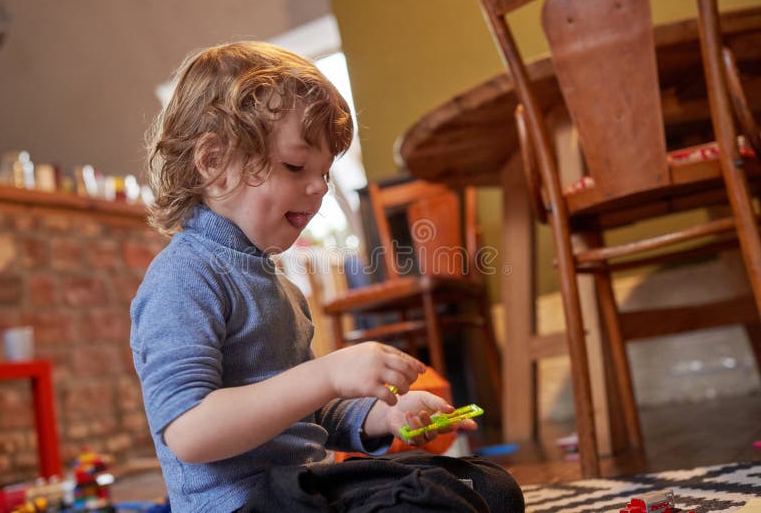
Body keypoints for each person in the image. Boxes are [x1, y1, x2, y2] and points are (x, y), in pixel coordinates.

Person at [131, 41, 524, 512]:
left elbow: (306, 413)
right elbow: (190, 433)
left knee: (490, 487)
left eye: (324, 172)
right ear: (214, 163)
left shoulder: (282, 290)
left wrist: (384, 415)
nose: (318, 188)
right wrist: (328, 373)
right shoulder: (184, 277)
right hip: (244, 505)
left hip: (304, 491)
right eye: (296, 166)